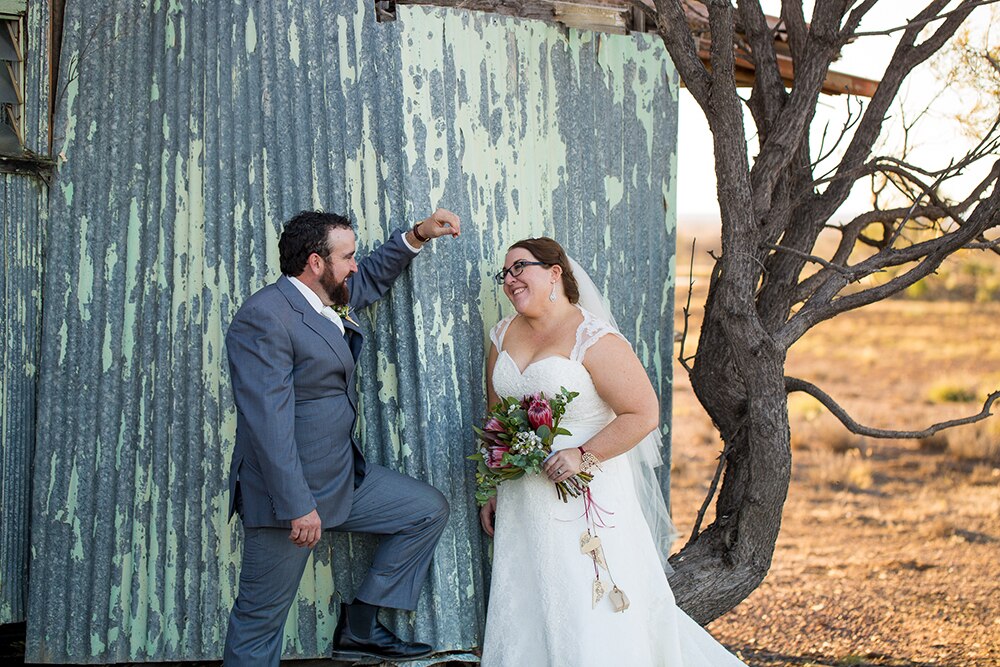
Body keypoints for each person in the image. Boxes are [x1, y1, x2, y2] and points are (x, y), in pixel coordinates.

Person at [479, 237, 747, 666]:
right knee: (528, 588)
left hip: (586, 491)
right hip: (522, 493)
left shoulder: (593, 337)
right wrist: (491, 488)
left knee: (586, 592)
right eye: (505, 273)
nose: (510, 280)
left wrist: (582, 455)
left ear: (554, 273)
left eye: (520, 268)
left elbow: (642, 413)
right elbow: (496, 416)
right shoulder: (503, 334)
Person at [224, 208, 460, 666]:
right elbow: (268, 425)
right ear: (316, 262)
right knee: (259, 622)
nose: (355, 264)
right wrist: (296, 505)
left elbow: (368, 277)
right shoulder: (265, 317)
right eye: (348, 256)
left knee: (426, 510)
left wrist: (417, 236)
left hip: (341, 476)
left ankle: (360, 626)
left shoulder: (325, 297)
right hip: (287, 499)